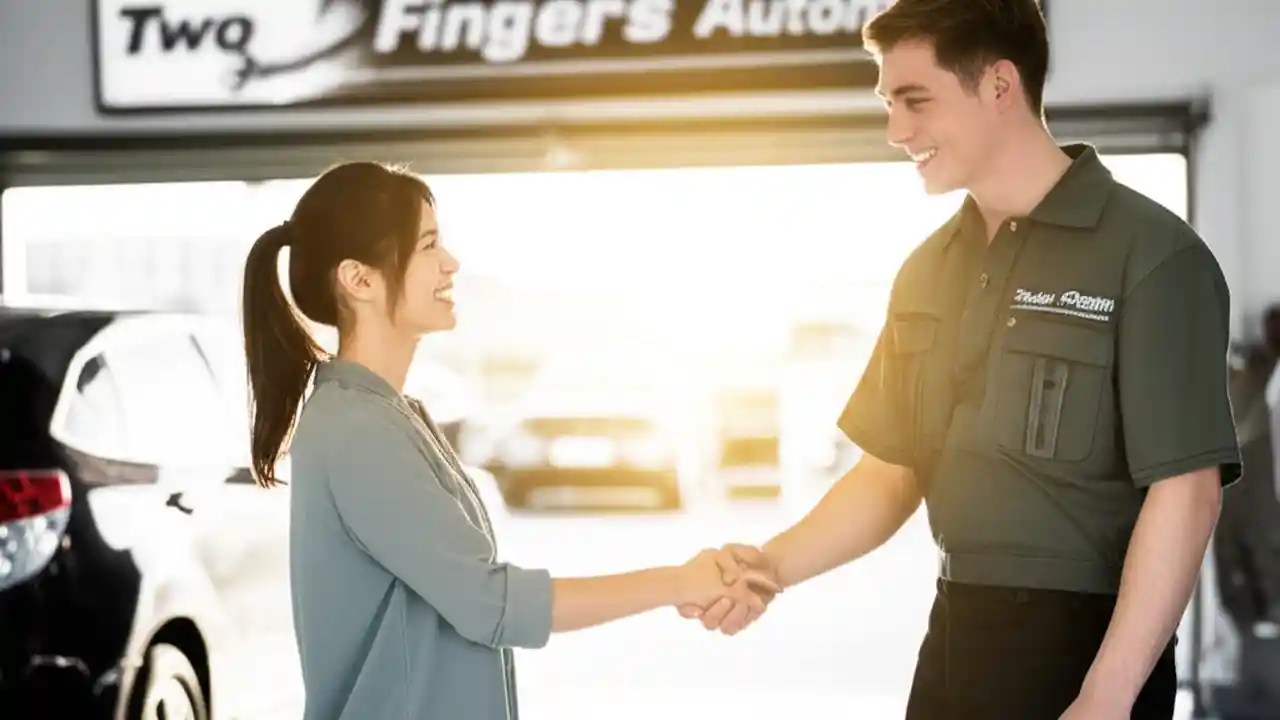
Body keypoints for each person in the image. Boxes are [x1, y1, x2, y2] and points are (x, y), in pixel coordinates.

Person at [685, 1, 1242, 718]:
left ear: (1000, 86)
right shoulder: (928, 270)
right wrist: (769, 568)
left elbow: (1187, 492)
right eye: (888, 104)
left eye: (916, 101)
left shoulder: (1154, 257)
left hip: (1090, 650)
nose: (895, 131)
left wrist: (1108, 694)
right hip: (956, 639)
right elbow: (892, 471)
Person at [239, 162, 778, 720]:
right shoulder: (357, 430)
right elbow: (491, 605)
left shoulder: (387, 416)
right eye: (427, 245)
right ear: (360, 279)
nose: (450, 263)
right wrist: (678, 581)